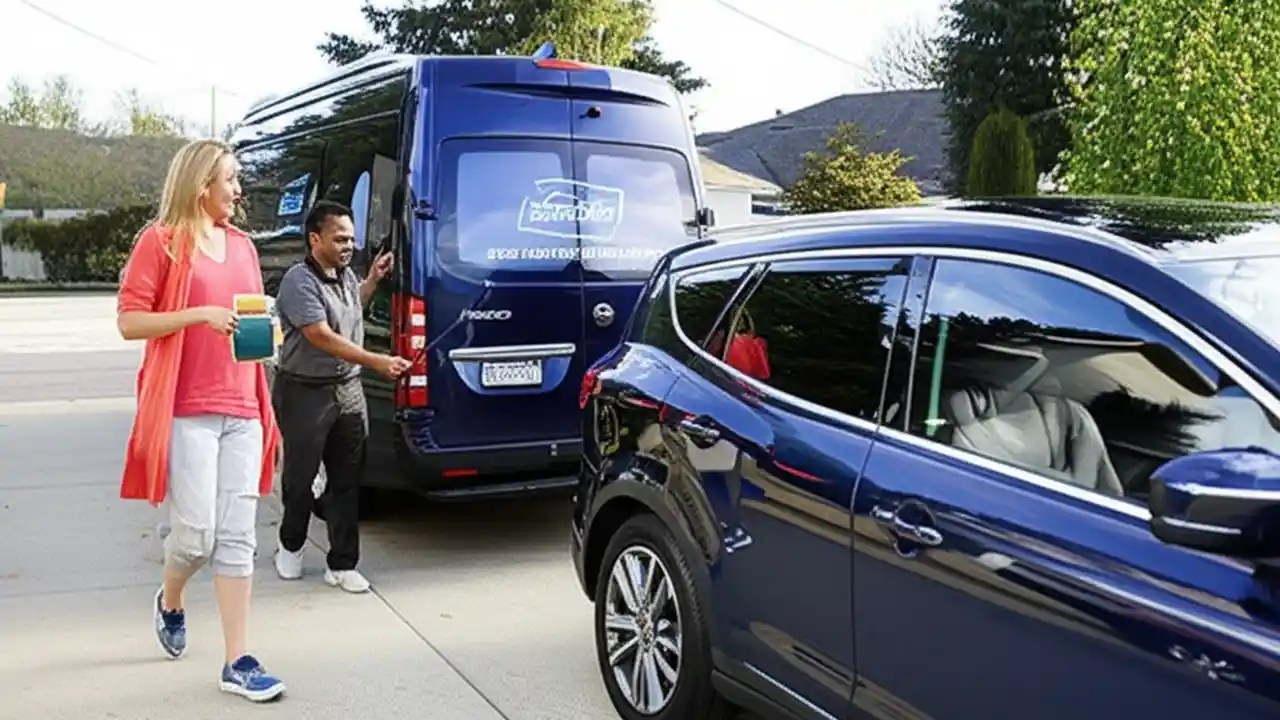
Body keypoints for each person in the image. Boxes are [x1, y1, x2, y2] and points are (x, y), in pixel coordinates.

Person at [116, 138, 285, 703]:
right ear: (200, 185)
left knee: (237, 536)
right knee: (195, 537)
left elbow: (247, 318)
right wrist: (199, 315)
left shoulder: (243, 247)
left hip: (242, 405)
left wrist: (268, 333)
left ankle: (238, 661)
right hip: (187, 409)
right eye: (230, 180)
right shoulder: (159, 243)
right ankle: (170, 599)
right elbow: (130, 322)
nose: (238, 190)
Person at [271, 200, 410, 593]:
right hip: (304, 392)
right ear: (315, 239)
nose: (349, 245)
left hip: (348, 390)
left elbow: (350, 312)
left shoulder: (346, 276)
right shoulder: (299, 281)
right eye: (340, 238)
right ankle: (291, 545)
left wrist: (372, 281)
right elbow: (321, 335)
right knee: (300, 478)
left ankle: (342, 563)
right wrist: (377, 361)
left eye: (352, 238)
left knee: (348, 479)